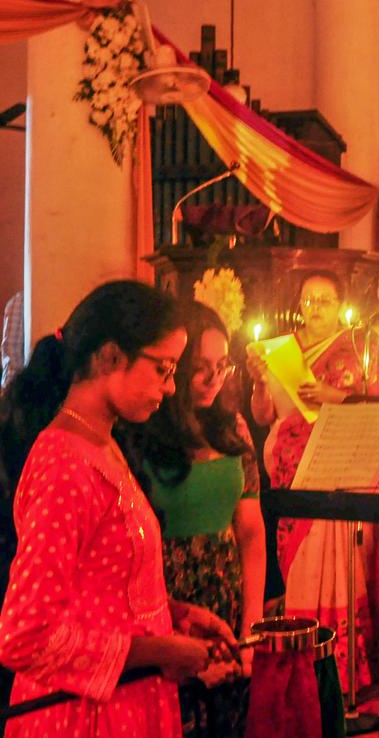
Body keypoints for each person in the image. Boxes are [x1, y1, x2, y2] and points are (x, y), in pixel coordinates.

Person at [0, 280, 237, 736]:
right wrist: (161, 652)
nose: (170, 389)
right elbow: (24, 636)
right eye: (163, 369)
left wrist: (177, 614)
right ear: (110, 356)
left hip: (123, 701)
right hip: (82, 713)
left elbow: (101, 588)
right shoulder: (64, 465)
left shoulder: (104, 443)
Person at [246, 269, 379, 691]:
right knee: (297, 564)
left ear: (341, 304)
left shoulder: (359, 347)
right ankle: (302, 664)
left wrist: (337, 398)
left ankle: (341, 666)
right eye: (309, 300)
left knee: (331, 562)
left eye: (326, 299)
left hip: (335, 464)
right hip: (288, 474)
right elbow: (262, 415)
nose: (316, 308)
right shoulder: (281, 351)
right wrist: (259, 381)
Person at [136, 301, 266, 737]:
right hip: (166, 603)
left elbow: (250, 534)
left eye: (224, 365)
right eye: (200, 367)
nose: (215, 378)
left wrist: (250, 630)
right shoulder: (140, 432)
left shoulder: (233, 428)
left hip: (225, 599)